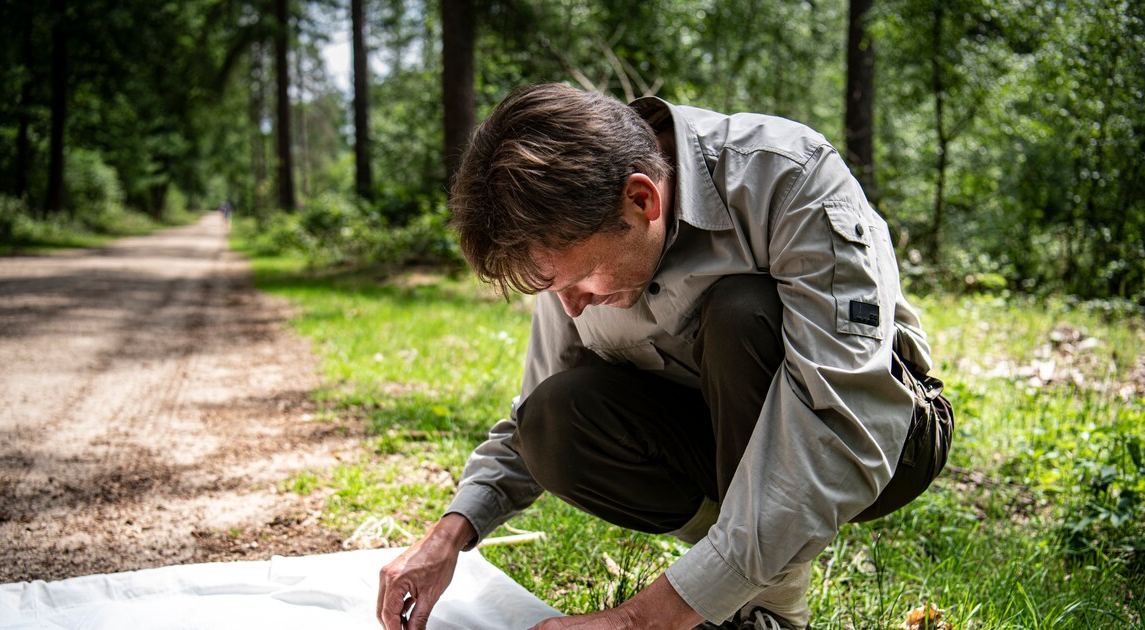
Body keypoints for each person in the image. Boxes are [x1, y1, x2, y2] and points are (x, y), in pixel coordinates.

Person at [376, 84, 953, 630]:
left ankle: (769, 603)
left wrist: (643, 618)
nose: (571, 308)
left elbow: (842, 420)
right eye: (554, 289)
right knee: (554, 417)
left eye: (577, 281)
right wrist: (449, 535)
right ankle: (733, 574)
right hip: (715, 445)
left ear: (640, 199)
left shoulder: (786, 176)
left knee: (740, 311)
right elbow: (531, 422)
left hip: (882, 437)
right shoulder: (575, 242)